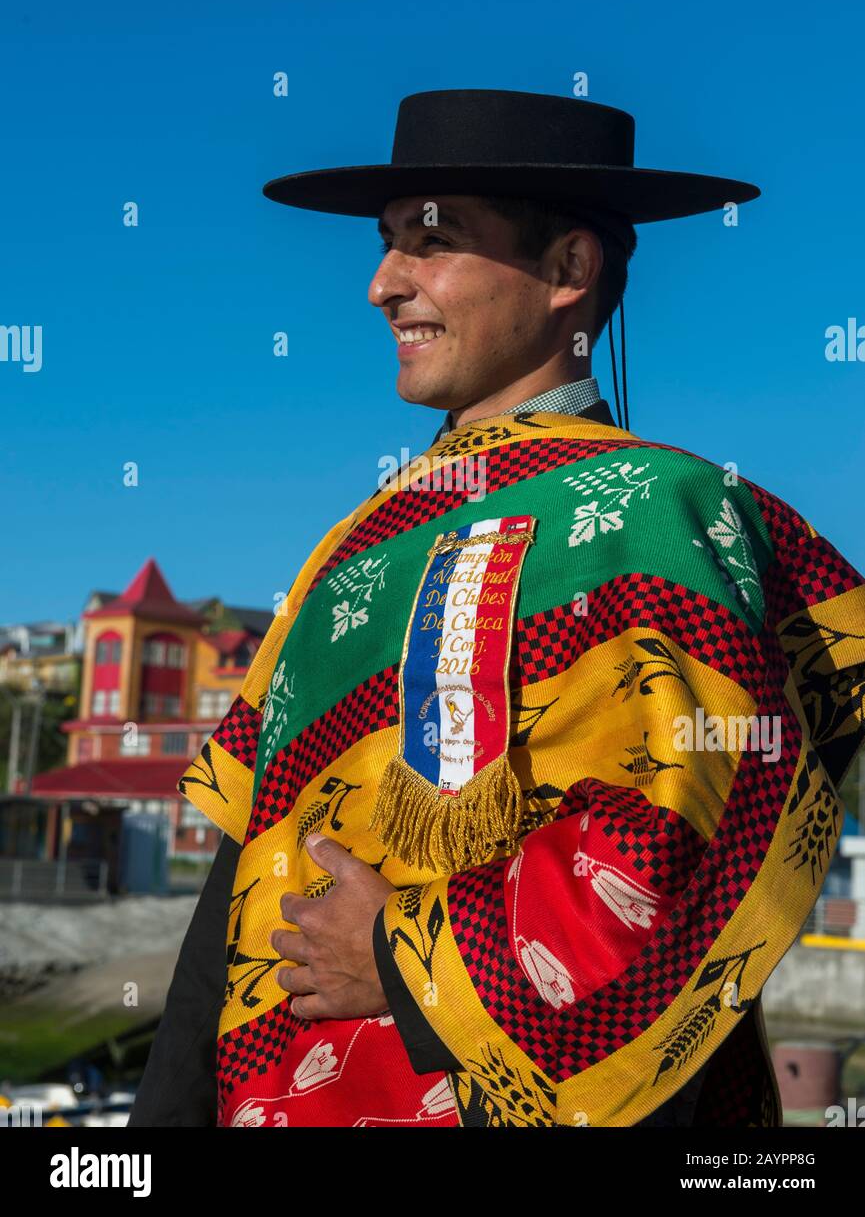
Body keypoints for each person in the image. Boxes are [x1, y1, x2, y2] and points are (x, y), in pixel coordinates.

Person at [128, 89, 865, 1128]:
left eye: (431, 242)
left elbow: (679, 847)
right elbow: (236, 901)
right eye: (386, 245)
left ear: (568, 271)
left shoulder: (665, 510)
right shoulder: (347, 557)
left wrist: (402, 955)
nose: (383, 285)